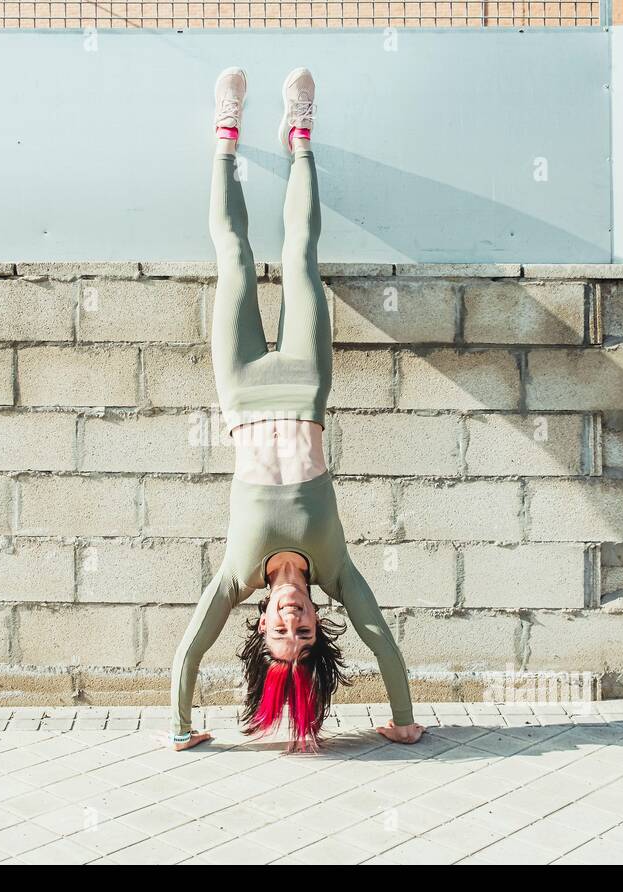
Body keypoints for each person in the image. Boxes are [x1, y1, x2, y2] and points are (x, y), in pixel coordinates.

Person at [167, 67, 425, 753]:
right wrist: (402, 721)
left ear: (260, 627)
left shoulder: (236, 574)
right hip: (308, 386)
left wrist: (178, 725)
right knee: (303, 259)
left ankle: (226, 138)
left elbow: (188, 652)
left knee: (234, 259)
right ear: (316, 620)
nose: (294, 621)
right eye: (306, 631)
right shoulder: (335, 570)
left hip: (244, 388)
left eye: (282, 631)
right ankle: (300, 136)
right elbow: (382, 641)